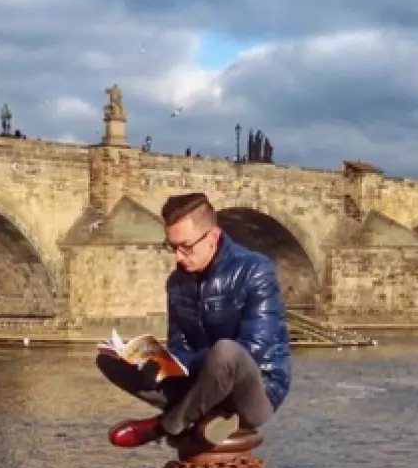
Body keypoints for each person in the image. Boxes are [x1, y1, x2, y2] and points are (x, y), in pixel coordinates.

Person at [98, 192, 291, 448]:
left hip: (256, 389)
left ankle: (165, 426)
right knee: (110, 361)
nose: (178, 257)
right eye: (172, 247)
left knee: (225, 352)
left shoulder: (255, 269)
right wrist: (158, 364)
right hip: (200, 382)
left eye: (186, 247)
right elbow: (180, 345)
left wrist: (192, 362)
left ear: (212, 236)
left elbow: (254, 348)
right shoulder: (177, 282)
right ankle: (206, 414)